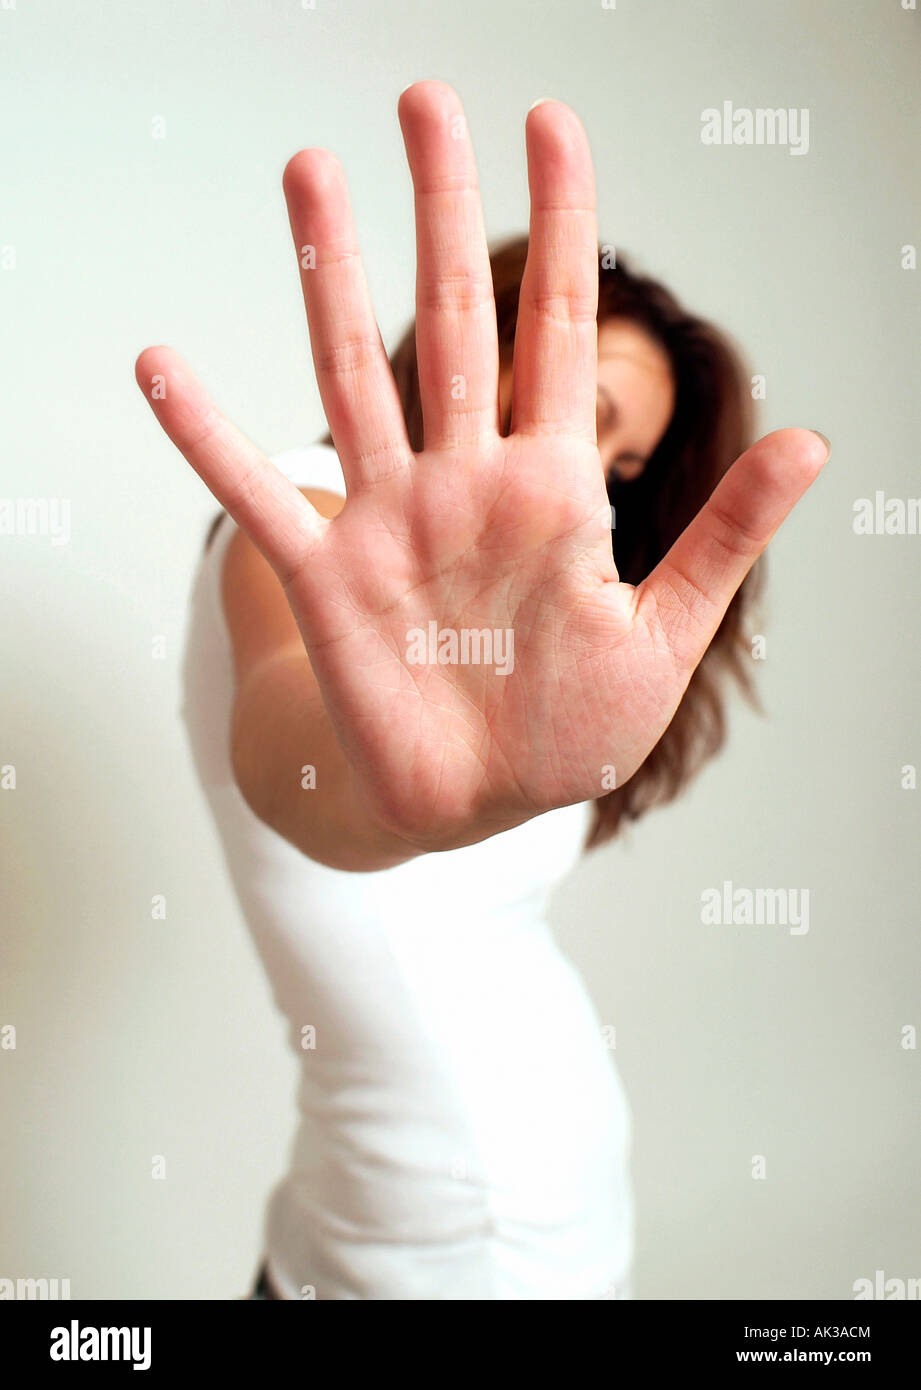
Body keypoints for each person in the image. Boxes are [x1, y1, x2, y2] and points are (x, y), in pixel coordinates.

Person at [135, 81, 828, 1300]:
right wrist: (392, 791)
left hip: (561, 1238)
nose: (595, 484)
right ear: (495, 341)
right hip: (408, 1259)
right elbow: (290, 747)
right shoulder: (295, 524)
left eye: (623, 466)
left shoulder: (517, 636)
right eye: (589, 415)